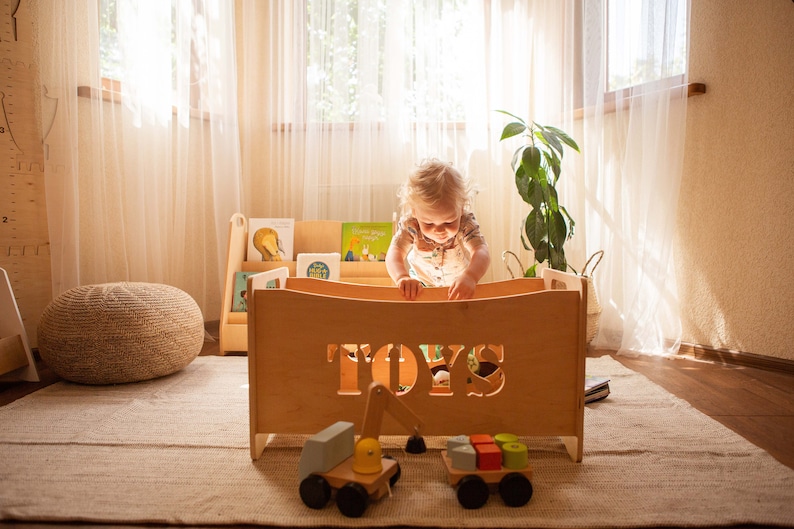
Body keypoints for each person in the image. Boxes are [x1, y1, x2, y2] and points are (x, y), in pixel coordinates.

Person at [386, 159, 490, 301]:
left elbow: (481, 251)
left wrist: (470, 277)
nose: (440, 230)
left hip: (459, 288)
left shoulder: (466, 223)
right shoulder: (411, 224)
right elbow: (394, 252)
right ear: (414, 212)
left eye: (449, 221)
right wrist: (402, 277)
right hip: (420, 288)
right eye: (428, 223)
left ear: (461, 209)